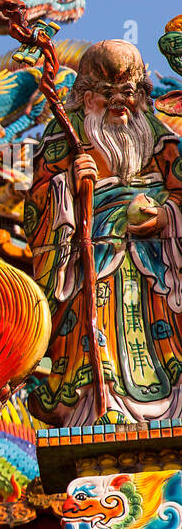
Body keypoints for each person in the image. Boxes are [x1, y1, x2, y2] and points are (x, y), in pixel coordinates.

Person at [25, 40, 182, 426]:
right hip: (91, 257)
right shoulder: (67, 132)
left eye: (128, 93)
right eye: (106, 94)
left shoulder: (159, 135)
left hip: (156, 265)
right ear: (85, 95)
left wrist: (166, 217)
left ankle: (172, 407)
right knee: (96, 331)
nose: (119, 103)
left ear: (141, 94)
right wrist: (70, 187)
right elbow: (37, 205)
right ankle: (100, 402)